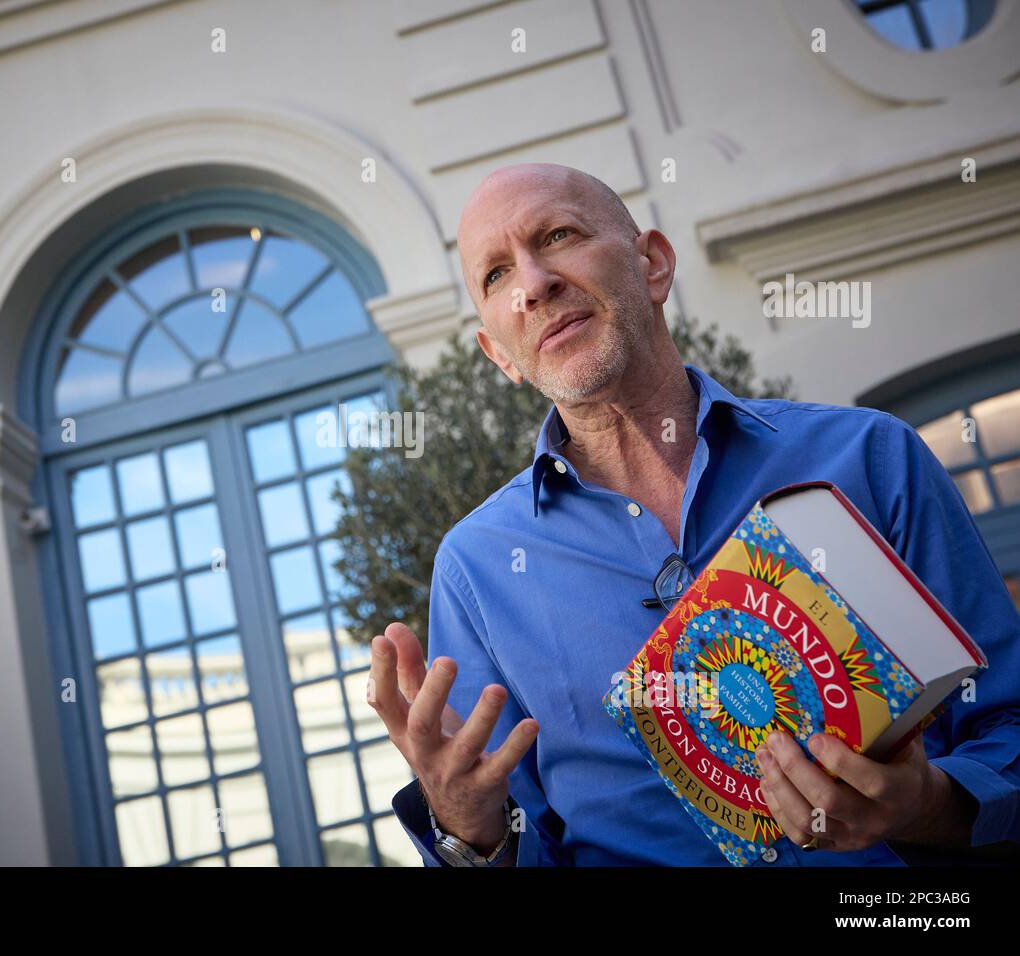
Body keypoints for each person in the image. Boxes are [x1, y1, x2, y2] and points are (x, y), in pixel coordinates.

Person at [365, 162, 1020, 866]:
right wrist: (468, 830)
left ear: (653, 264)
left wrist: (929, 806)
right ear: (499, 355)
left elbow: (1008, 720)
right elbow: (519, 839)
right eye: (495, 275)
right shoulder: (476, 569)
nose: (533, 284)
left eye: (557, 234)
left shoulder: (870, 457)